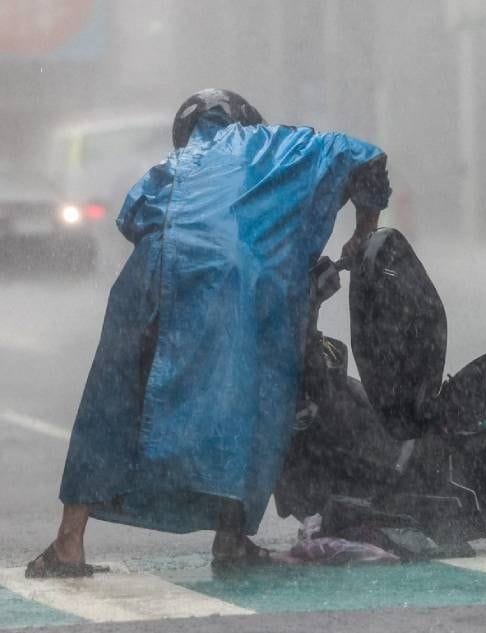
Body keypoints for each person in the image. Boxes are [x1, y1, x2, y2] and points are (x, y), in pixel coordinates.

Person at [26, 89, 391, 577]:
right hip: (235, 282)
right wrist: (363, 230)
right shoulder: (276, 145)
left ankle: (68, 543)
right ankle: (231, 539)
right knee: (252, 402)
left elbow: (131, 217)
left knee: (111, 402)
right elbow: (365, 158)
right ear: (245, 117)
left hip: (153, 273)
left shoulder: (171, 167)